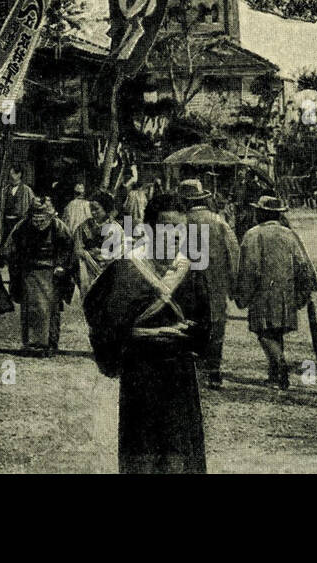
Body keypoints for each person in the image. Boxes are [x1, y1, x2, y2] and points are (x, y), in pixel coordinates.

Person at [83, 193, 212, 473]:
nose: (176, 234)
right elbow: (101, 321)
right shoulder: (126, 269)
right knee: (141, 451)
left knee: (178, 453)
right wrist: (147, 334)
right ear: (150, 229)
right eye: (168, 226)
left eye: (182, 228)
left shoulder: (190, 271)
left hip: (179, 376)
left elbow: (204, 329)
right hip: (140, 374)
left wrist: (189, 335)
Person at [234, 196, 317, 390]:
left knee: (264, 332)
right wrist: (305, 291)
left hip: (262, 293)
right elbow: (303, 264)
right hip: (286, 293)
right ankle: (274, 373)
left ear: (262, 213)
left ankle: (280, 367)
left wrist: (242, 295)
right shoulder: (289, 235)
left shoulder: (253, 235)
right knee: (277, 332)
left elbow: (250, 268)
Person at [179, 178, 239, 388]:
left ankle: (191, 369)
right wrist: (233, 286)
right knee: (216, 324)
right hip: (215, 283)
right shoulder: (219, 222)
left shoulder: (179, 223)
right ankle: (214, 370)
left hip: (185, 284)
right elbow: (233, 254)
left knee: (188, 322)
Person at [1, 194, 74, 356]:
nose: (38, 223)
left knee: (51, 308)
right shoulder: (22, 226)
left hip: (52, 272)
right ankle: (32, 343)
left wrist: (61, 265)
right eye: (35, 219)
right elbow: (10, 247)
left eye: (42, 219)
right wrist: (14, 263)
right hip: (29, 272)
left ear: (49, 216)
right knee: (30, 309)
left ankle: (50, 343)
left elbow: (68, 247)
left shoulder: (58, 226)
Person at [0, 164, 36, 251]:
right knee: (5, 244)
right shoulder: (5, 190)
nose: (11, 176)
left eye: (13, 174)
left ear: (19, 174)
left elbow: (33, 205)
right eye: (10, 173)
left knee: (19, 245)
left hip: (20, 222)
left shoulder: (27, 190)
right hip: (7, 222)